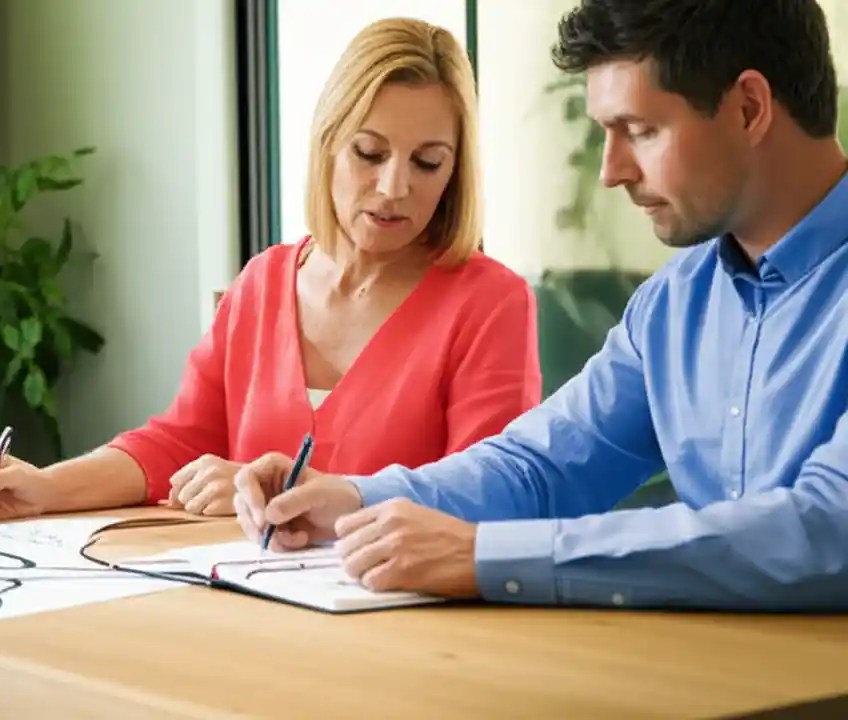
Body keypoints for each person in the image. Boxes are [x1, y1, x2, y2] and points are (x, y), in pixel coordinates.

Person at [234, 0, 848, 612]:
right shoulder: (676, 304)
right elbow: (544, 465)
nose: (610, 171)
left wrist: (481, 555)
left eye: (640, 131)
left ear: (749, 108)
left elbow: (827, 528)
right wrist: (352, 499)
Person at [0, 18, 542, 522]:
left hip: (393, 609)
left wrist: (283, 493)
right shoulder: (263, 282)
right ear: (328, 143)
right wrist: (46, 487)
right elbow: (177, 442)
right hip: (239, 599)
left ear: (455, 172)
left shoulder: (490, 302)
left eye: (428, 162)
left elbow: (488, 497)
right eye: (369, 153)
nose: (394, 187)